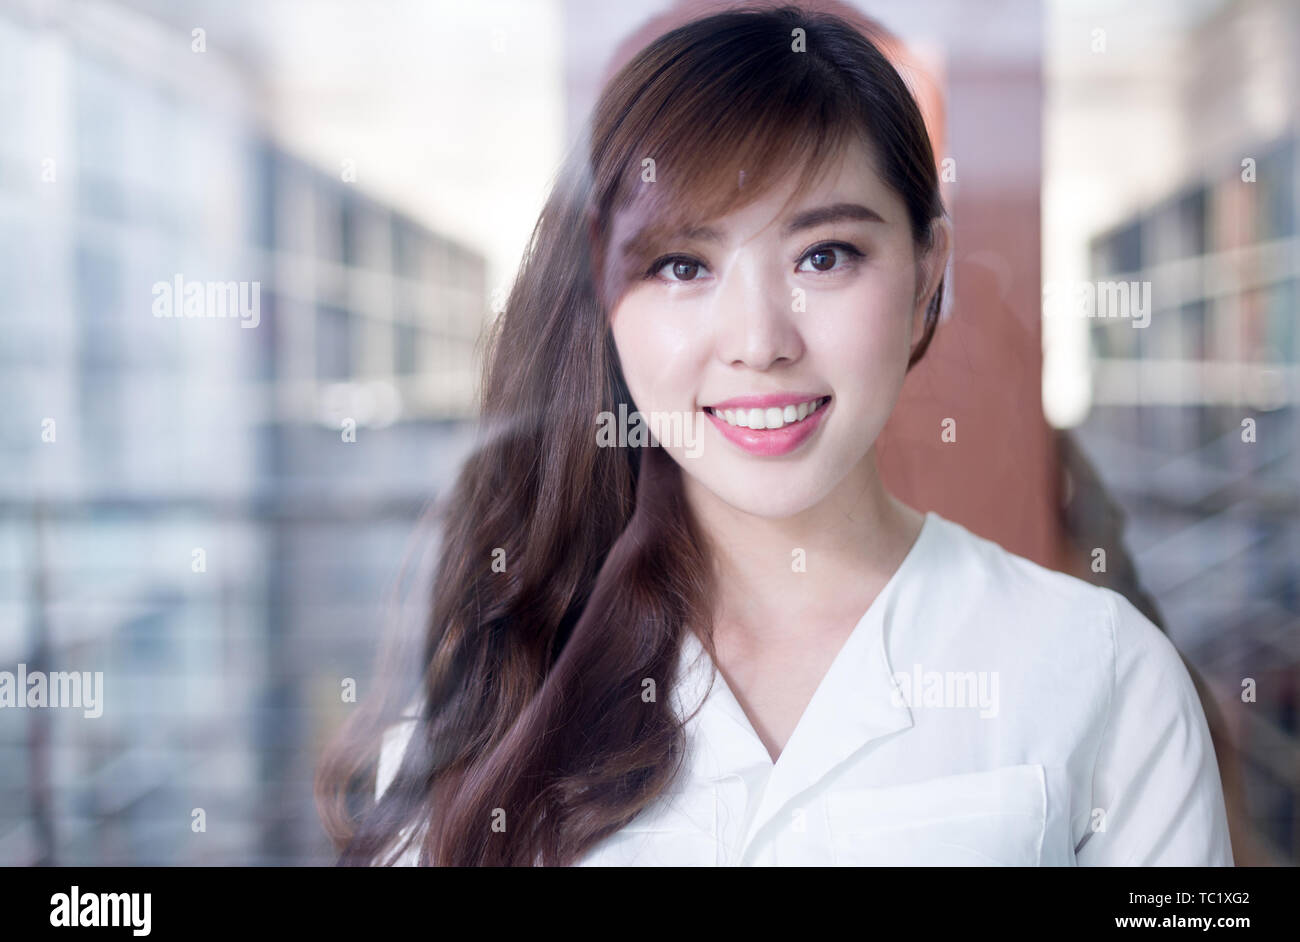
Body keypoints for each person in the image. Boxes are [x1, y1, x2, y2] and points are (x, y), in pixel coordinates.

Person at [316, 3, 1233, 866]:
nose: (761, 341)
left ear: (926, 277)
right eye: (683, 264)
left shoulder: (1102, 672)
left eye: (824, 256)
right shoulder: (499, 685)